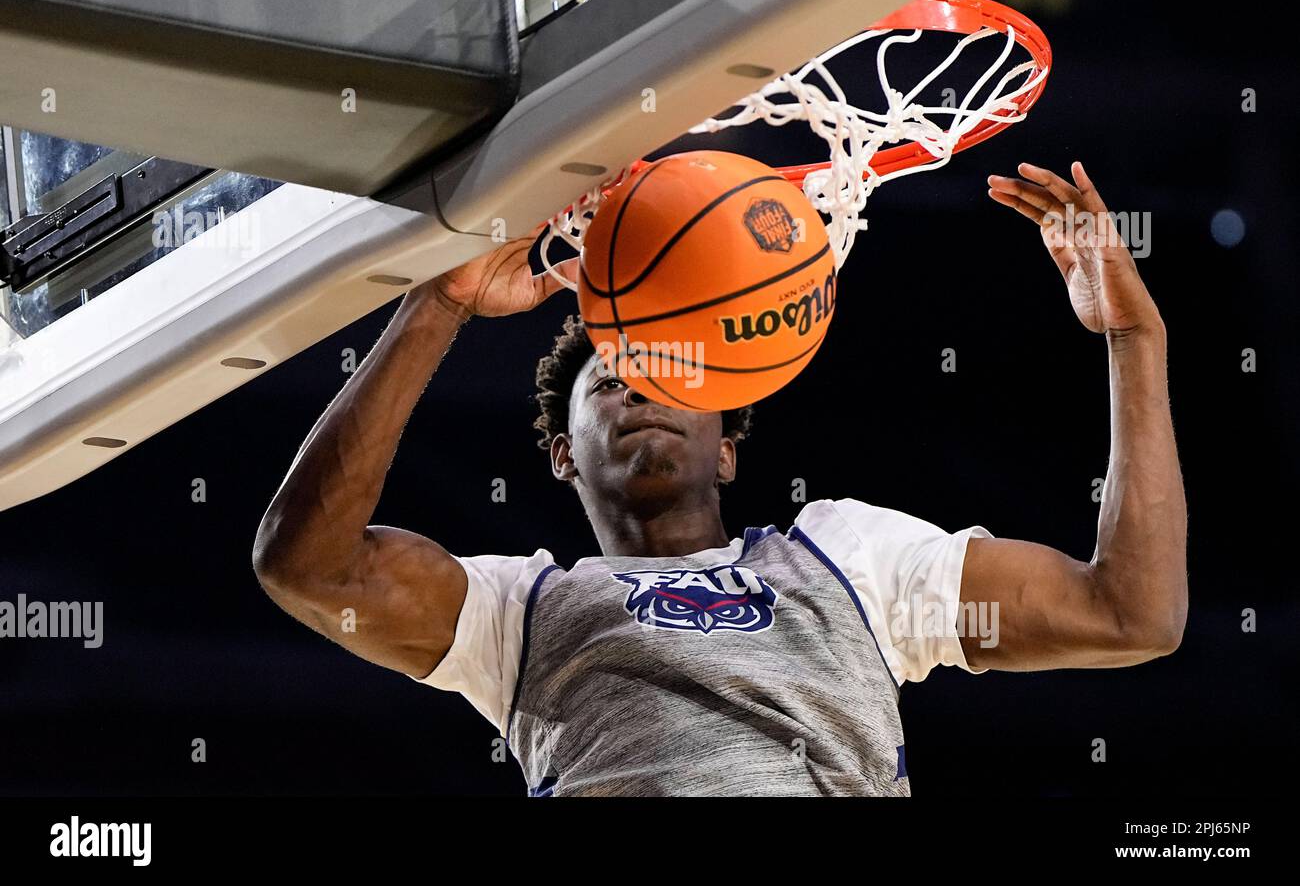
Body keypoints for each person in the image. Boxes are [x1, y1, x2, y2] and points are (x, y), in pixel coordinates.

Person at [252, 161, 1187, 796]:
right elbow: (308, 566)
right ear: (562, 453)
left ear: (728, 448)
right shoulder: (517, 610)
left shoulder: (849, 556)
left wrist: (1134, 341)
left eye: (670, 373)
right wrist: (438, 305)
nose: (641, 390)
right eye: (615, 377)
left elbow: (1132, 615)